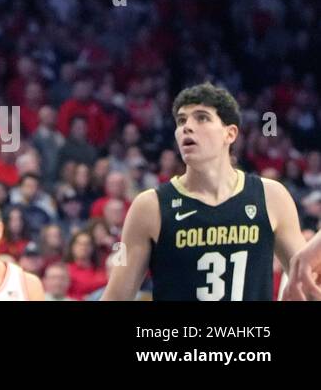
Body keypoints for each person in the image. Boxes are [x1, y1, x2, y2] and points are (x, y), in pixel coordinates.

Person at [103, 83, 305, 301]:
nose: (187, 127)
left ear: (230, 134)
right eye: (181, 121)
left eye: (202, 118)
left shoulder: (271, 196)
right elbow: (115, 298)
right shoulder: (149, 206)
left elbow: (309, 282)